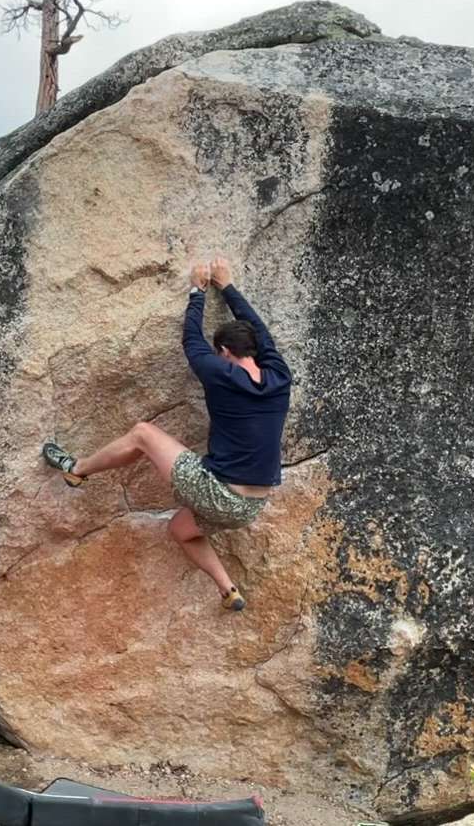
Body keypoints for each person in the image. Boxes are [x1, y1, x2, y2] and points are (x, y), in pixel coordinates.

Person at [42, 256, 291, 611]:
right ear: (254, 352)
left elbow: (192, 340)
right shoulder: (280, 378)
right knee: (181, 529)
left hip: (220, 492)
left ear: (223, 353)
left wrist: (197, 291)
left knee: (143, 433)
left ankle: (77, 469)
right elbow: (260, 333)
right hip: (252, 505)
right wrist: (228, 286)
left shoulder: (221, 374)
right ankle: (228, 590)